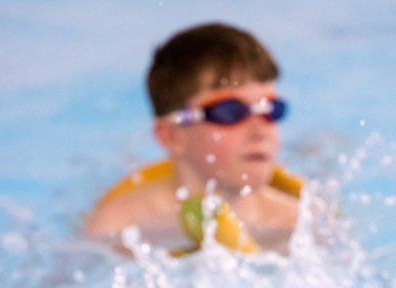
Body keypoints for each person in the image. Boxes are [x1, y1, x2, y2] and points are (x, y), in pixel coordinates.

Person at [84, 23, 302, 254]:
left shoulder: (296, 222)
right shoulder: (120, 224)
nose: (260, 130)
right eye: (231, 112)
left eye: (272, 109)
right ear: (172, 135)